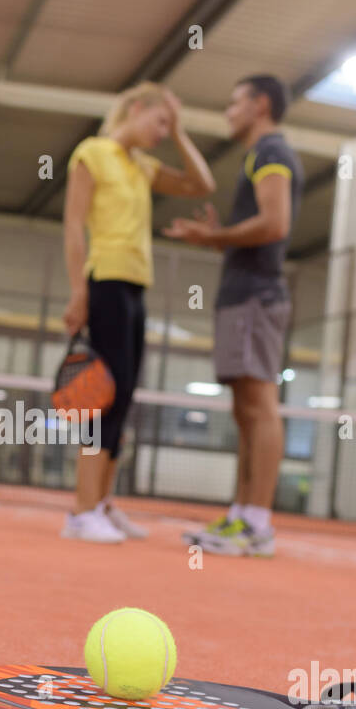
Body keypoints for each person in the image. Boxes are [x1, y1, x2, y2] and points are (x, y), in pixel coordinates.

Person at [60, 82, 215, 543]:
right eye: (160, 121)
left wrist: (183, 131)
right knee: (101, 397)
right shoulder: (92, 152)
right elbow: (72, 223)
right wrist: (77, 291)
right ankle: (81, 511)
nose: (163, 133)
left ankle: (102, 505)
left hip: (136, 286)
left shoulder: (142, 166)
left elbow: (201, 184)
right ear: (136, 108)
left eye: (169, 126)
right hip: (103, 279)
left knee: (124, 395)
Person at [163, 74, 302, 558]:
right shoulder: (257, 157)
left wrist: (213, 239)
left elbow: (276, 223)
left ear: (260, 105)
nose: (228, 111)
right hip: (243, 295)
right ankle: (243, 513)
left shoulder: (272, 154)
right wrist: (220, 236)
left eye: (234, 102)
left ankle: (258, 523)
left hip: (257, 296)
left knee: (260, 404)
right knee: (245, 410)